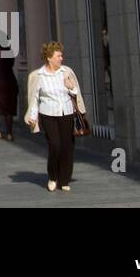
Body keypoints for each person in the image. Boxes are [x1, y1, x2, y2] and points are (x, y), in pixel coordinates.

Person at [25, 42, 87, 193]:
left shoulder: (66, 72)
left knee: (67, 147)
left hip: (66, 113)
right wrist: (32, 116)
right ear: (49, 58)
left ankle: (64, 180)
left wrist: (71, 86)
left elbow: (76, 93)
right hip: (48, 115)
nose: (61, 58)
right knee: (55, 145)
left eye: (61, 55)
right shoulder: (38, 75)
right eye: (58, 55)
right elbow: (34, 98)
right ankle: (53, 176)